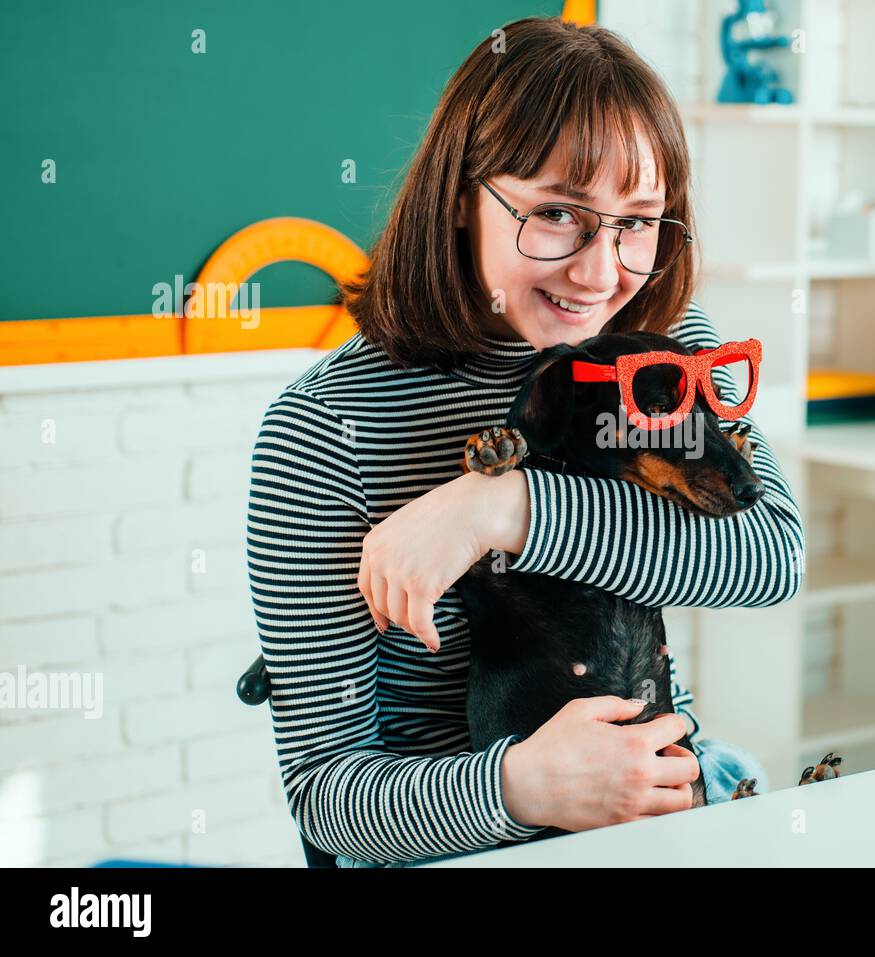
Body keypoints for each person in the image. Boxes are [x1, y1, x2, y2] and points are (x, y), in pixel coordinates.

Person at [246, 15, 804, 868]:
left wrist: (506, 507)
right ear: (461, 198)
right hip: (459, 839)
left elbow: (771, 555)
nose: (601, 272)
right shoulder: (325, 427)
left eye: (638, 222)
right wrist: (523, 786)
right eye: (556, 215)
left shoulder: (659, 340)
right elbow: (325, 793)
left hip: (666, 797)